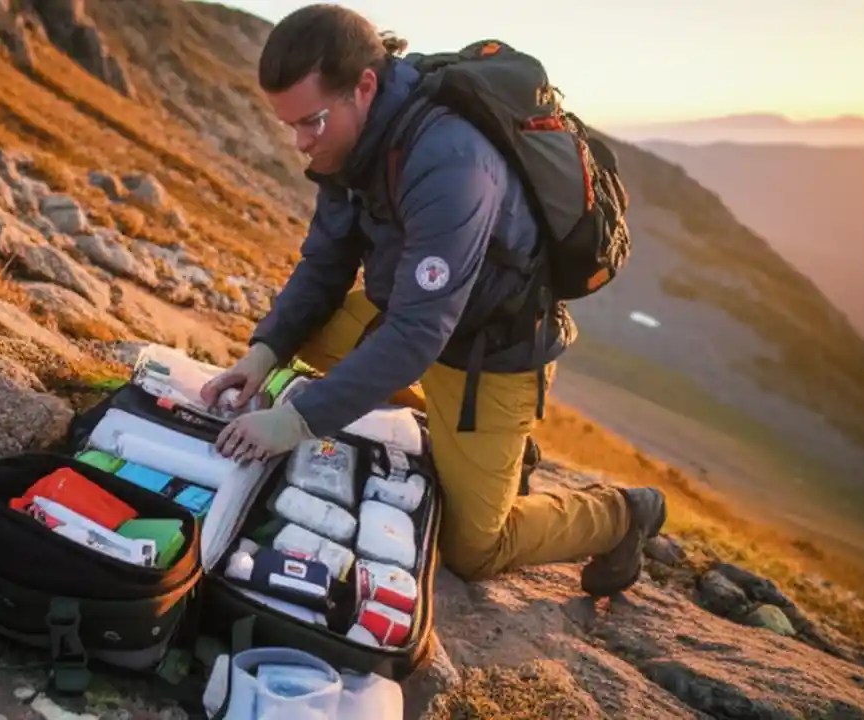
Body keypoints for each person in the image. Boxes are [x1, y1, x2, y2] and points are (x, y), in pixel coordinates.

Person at [200, 4, 665, 597]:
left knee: (475, 550)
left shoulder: (451, 162)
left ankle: (624, 514)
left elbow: (420, 336)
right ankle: (469, 445)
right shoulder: (346, 144)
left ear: (363, 86)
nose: (300, 143)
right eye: (289, 125)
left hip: (490, 350)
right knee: (292, 354)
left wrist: (296, 422)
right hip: (406, 310)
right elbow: (326, 263)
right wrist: (260, 356)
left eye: (311, 121)